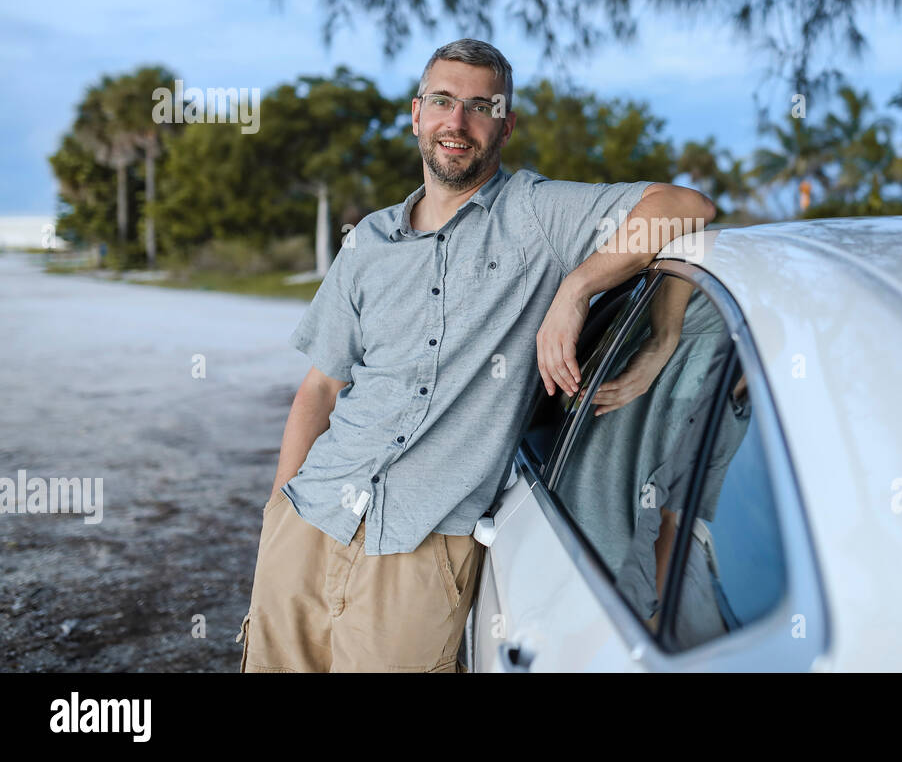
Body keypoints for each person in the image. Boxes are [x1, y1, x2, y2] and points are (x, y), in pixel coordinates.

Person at [237, 38, 716, 672]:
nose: (456, 122)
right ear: (417, 113)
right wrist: (278, 516)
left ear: (505, 124)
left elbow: (686, 207)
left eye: (479, 106)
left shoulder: (538, 214)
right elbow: (320, 390)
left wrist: (583, 290)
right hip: (307, 522)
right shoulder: (370, 240)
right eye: (442, 101)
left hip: (419, 547)